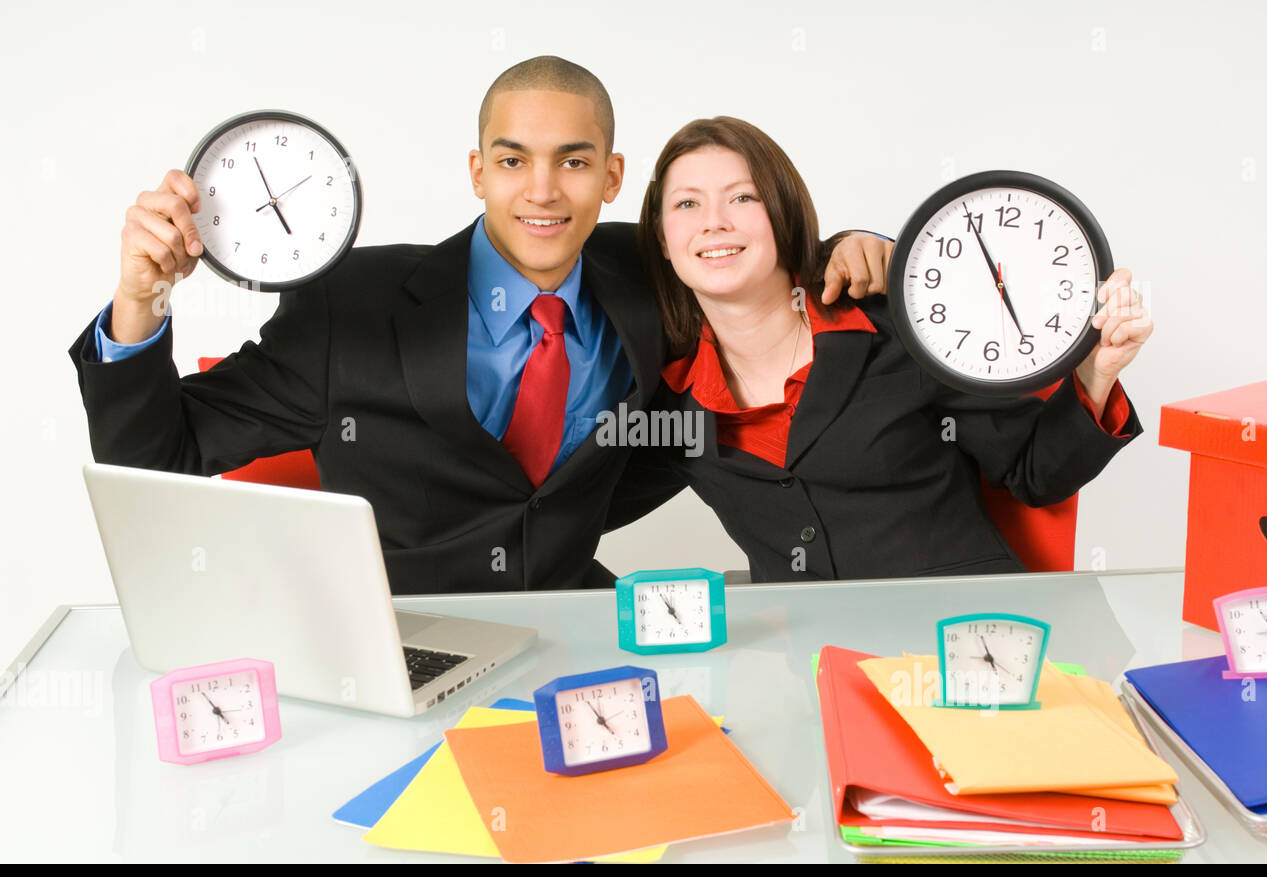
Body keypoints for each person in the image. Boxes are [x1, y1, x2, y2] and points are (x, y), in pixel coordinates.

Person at [68, 58, 891, 594]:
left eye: (572, 162)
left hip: (582, 627)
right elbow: (154, 455)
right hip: (403, 638)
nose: (542, 192)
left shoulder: (650, 274)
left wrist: (854, 248)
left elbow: (741, 254)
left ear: (610, 179)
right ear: (476, 172)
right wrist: (139, 300)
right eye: (511, 161)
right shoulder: (352, 306)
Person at [620, 116, 1152, 582]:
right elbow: (572, 509)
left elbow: (1036, 476)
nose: (714, 221)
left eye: (743, 197)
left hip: (968, 646)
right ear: (664, 240)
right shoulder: (669, 403)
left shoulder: (896, 329)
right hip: (812, 668)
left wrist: (1095, 372)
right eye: (687, 203)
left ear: (783, 214)